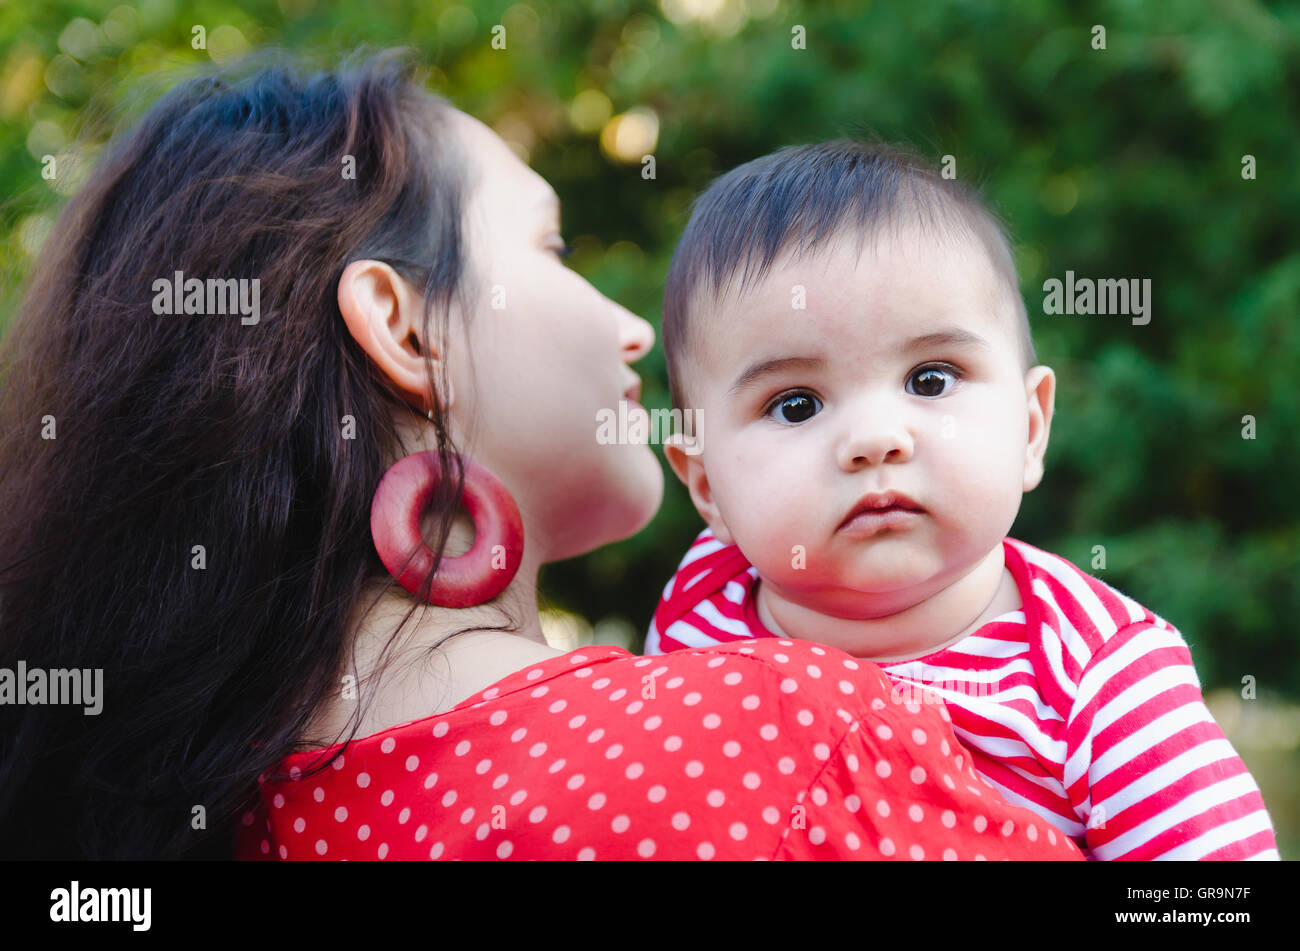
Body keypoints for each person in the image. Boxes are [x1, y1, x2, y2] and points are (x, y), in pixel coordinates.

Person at [0, 50, 1080, 861]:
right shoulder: (789, 738)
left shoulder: (193, 822)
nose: (635, 330)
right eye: (550, 245)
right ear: (406, 328)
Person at [643, 139, 1280, 860]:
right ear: (705, 484)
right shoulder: (699, 606)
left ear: (1031, 426)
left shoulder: (1096, 677)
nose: (876, 439)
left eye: (931, 379)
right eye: (795, 404)